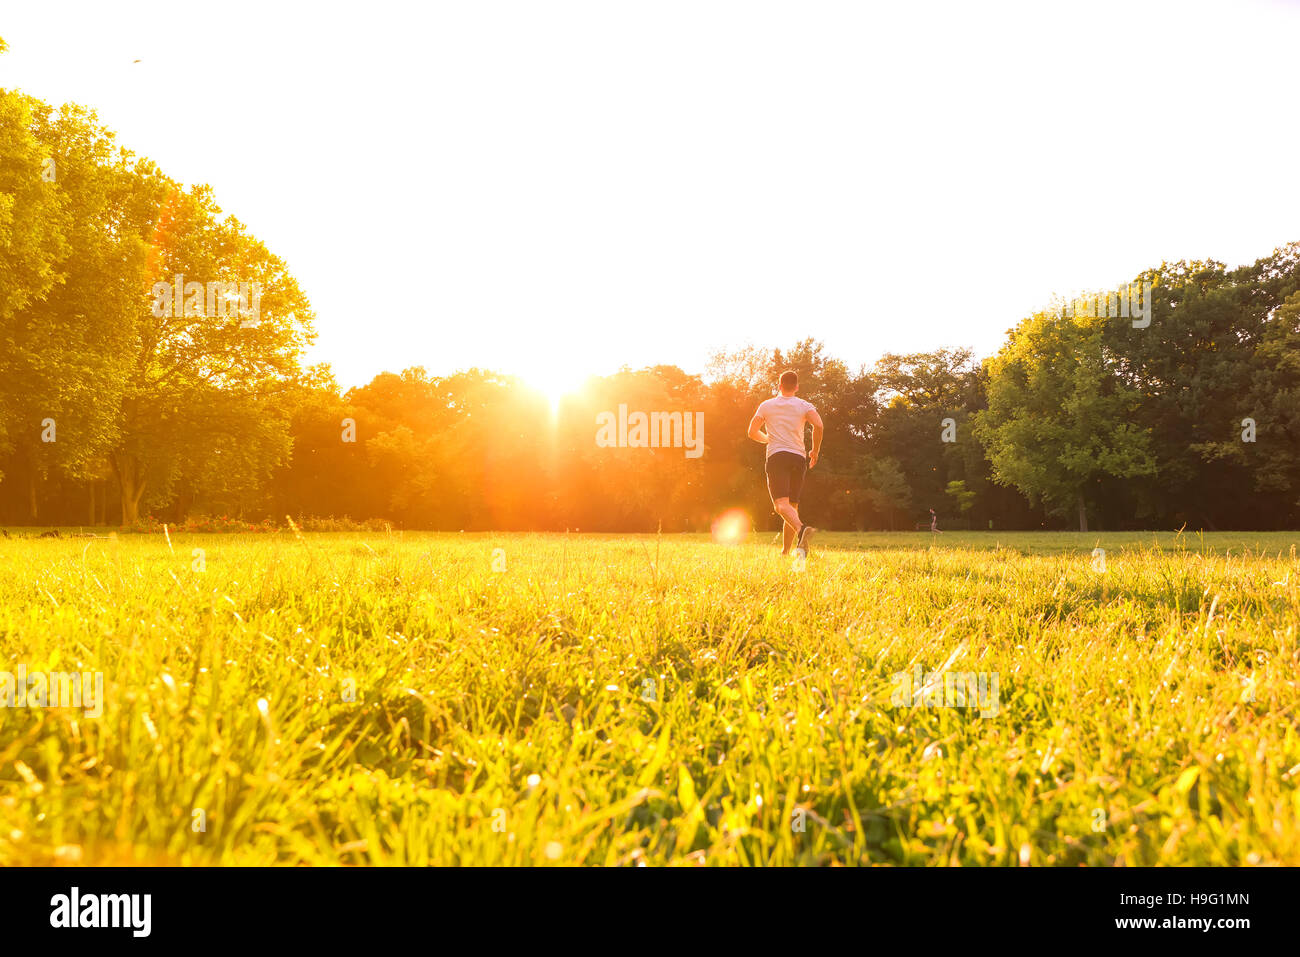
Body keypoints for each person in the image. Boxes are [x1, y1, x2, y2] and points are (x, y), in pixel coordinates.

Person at [747, 370, 823, 557]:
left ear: (779, 386)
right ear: (797, 387)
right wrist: (815, 451)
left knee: (780, 506)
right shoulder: (804, 405)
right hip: (798, 458)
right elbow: (819, 425)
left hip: (777, 457)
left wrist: (767, 439)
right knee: (791, 508)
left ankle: (802, 530)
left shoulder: (766, 405)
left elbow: (751, 431)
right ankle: (786, 552)